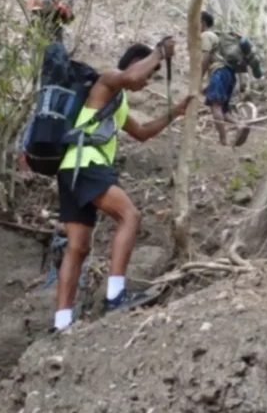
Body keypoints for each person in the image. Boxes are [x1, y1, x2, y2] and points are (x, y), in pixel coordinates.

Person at [53, 38, 193, 332]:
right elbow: (131, 76)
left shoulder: (116, 100)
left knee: (77, 247)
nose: (147, 82)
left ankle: (62, 322)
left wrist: (174, 113)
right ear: (133, 63)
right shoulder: (108, 80)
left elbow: (141, 132)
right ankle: (115, 296)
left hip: (70, 169)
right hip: (87, 163)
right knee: (130, 216)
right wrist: (158, 53)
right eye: (149, 73)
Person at [199, 11, 263, 147]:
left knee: (215, 106)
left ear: (203, 23)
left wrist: (199, 78)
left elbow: (205, 59)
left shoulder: (206, 35)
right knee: (224, 110)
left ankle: (223, 140)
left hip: (219, 72)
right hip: (229, 74)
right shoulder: (218, 37)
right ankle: (240, 124)